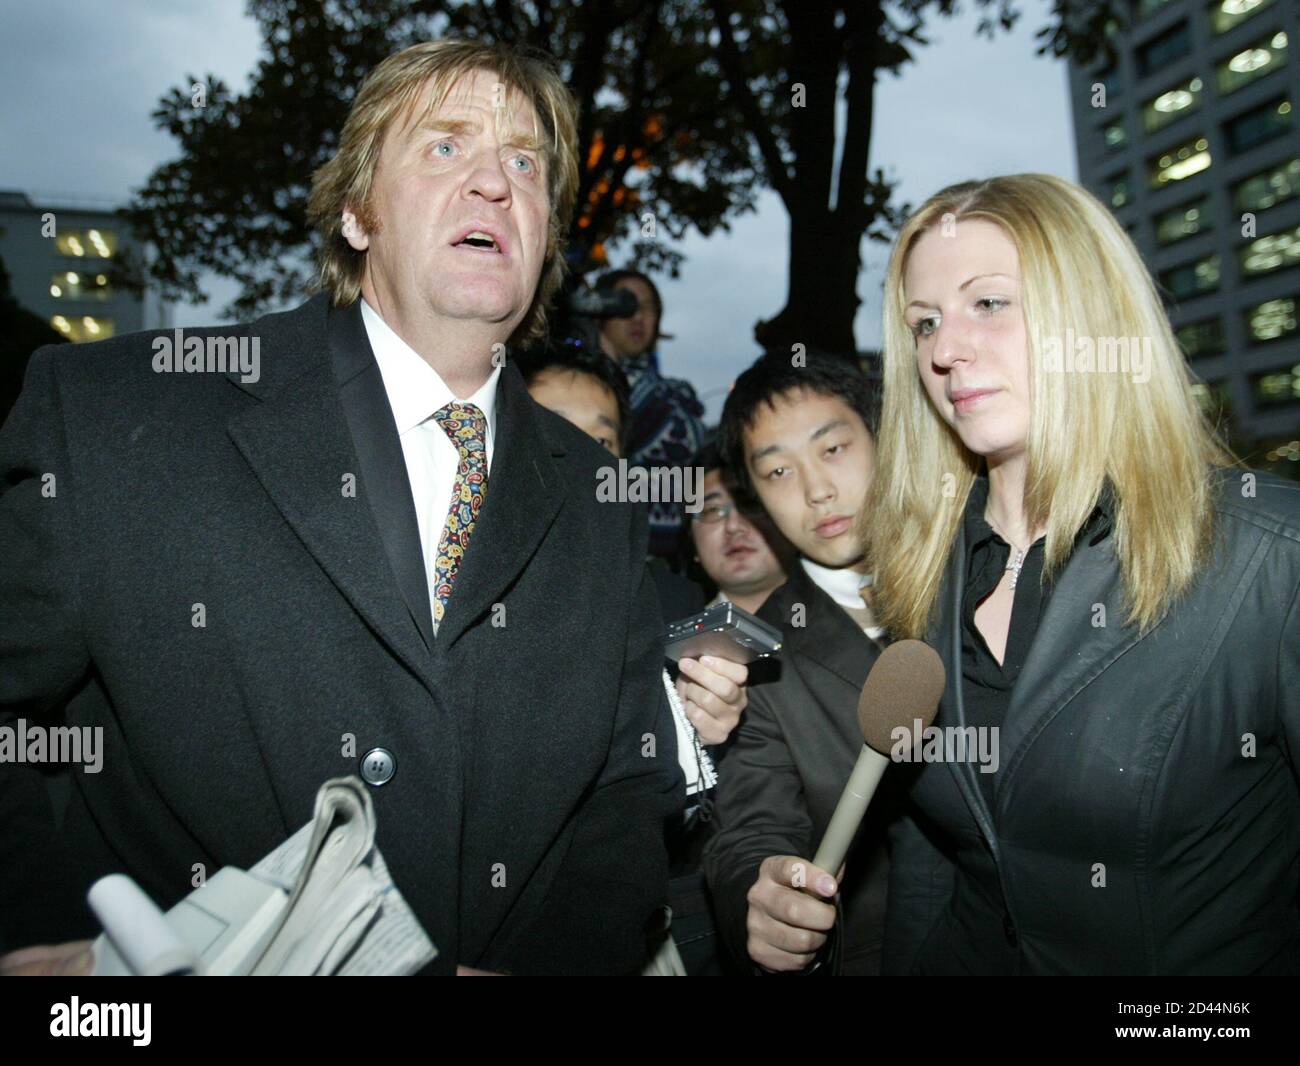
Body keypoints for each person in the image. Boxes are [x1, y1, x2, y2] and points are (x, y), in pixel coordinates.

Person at [0, 39, 684, 977]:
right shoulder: (118, 413)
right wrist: (35, 932)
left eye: (525, 163)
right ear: (357, 212)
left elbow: (629, 784)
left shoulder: (602, 499)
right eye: (445, 147)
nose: (495, 182)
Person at [866, 173, 1300, 975]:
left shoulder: (1270, 556)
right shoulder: (920, 578)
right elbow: (940, 856)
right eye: (922, 322)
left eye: (988, 303)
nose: (943, 349)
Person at [521, 342, 749, 976]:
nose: (580, 456)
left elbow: (711, 801)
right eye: (550, 425)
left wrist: (713, 732)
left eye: (603, 439)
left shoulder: (672, 600)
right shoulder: (442, 596)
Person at [704, 351, 892, 975]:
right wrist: (764, 906)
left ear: (883, 438)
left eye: (833, 449)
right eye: (778, 471)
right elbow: (752, 830)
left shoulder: (987, 570)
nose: (817, 491)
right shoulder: (760, 656)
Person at [595, 269, 706, 559]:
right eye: (626, 304)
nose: (638, 317)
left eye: (648, 307)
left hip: (675, 564)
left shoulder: (678, 395)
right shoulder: (575, 387)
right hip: (605, 557)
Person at [684, 439, 791, 616]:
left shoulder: (842, 615)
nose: (733, 526)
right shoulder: (678, 642)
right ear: (693, 543)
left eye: (749, 504)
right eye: (712, 510)